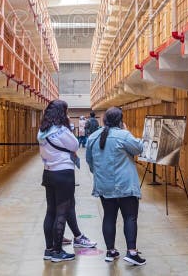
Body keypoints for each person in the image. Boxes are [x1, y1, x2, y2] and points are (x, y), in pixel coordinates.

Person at [86, 107, 146, 266]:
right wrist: (127, 131)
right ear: (120, 120)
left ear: (104, 120)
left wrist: (100, 174)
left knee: (109, 217)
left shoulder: (93, 136)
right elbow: (139, 148)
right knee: (130, 217)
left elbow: (90, 162)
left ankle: (110, 251)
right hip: (126, 185)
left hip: (105, 186)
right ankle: (132, 253)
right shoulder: (123, 135)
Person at [38, 100, 96, 263]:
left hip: (48, 173)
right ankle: (58, 251)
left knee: (51, 211)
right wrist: (68, 126)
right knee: (62, 212)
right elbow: (75, 144)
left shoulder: (42, 130)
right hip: (63, 173)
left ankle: (49, 249)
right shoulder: (61, 130)